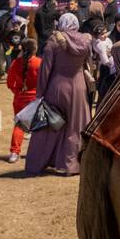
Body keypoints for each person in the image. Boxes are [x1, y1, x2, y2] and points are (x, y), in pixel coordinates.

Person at [25, 13, 94, 176]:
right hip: (78, 86)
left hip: (57, 87)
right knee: (75, 127)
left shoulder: (54, 42)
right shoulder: (85, 41)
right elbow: (90, 64)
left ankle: (38, 163)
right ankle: (72, 165)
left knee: (50, 126)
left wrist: (40, 94)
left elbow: (45, 70)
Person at [6, 39, 41, 164]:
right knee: (40, 127)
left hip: (19, 98)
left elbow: (9, 82)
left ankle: (14, 152)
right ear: (35, 49)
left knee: (19, 126)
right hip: (35, 99)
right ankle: (39, 154)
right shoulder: (38, 63)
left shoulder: (15, 63)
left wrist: (17, 91)